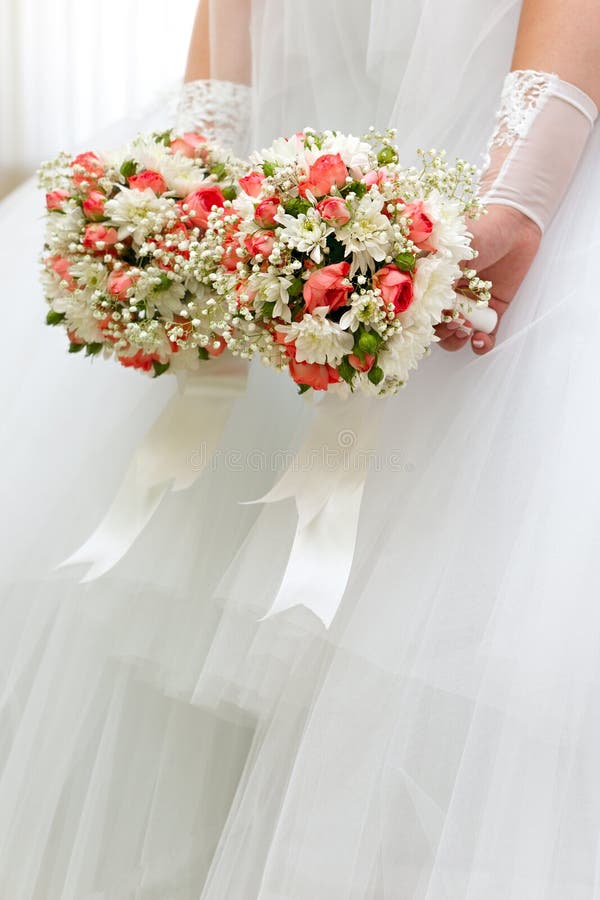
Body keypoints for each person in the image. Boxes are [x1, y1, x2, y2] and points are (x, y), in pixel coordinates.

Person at [0, 1, 599, 896]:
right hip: (292, 145)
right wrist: (195, 160)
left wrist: (524, 179)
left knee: (447, 651)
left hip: (510, 130)